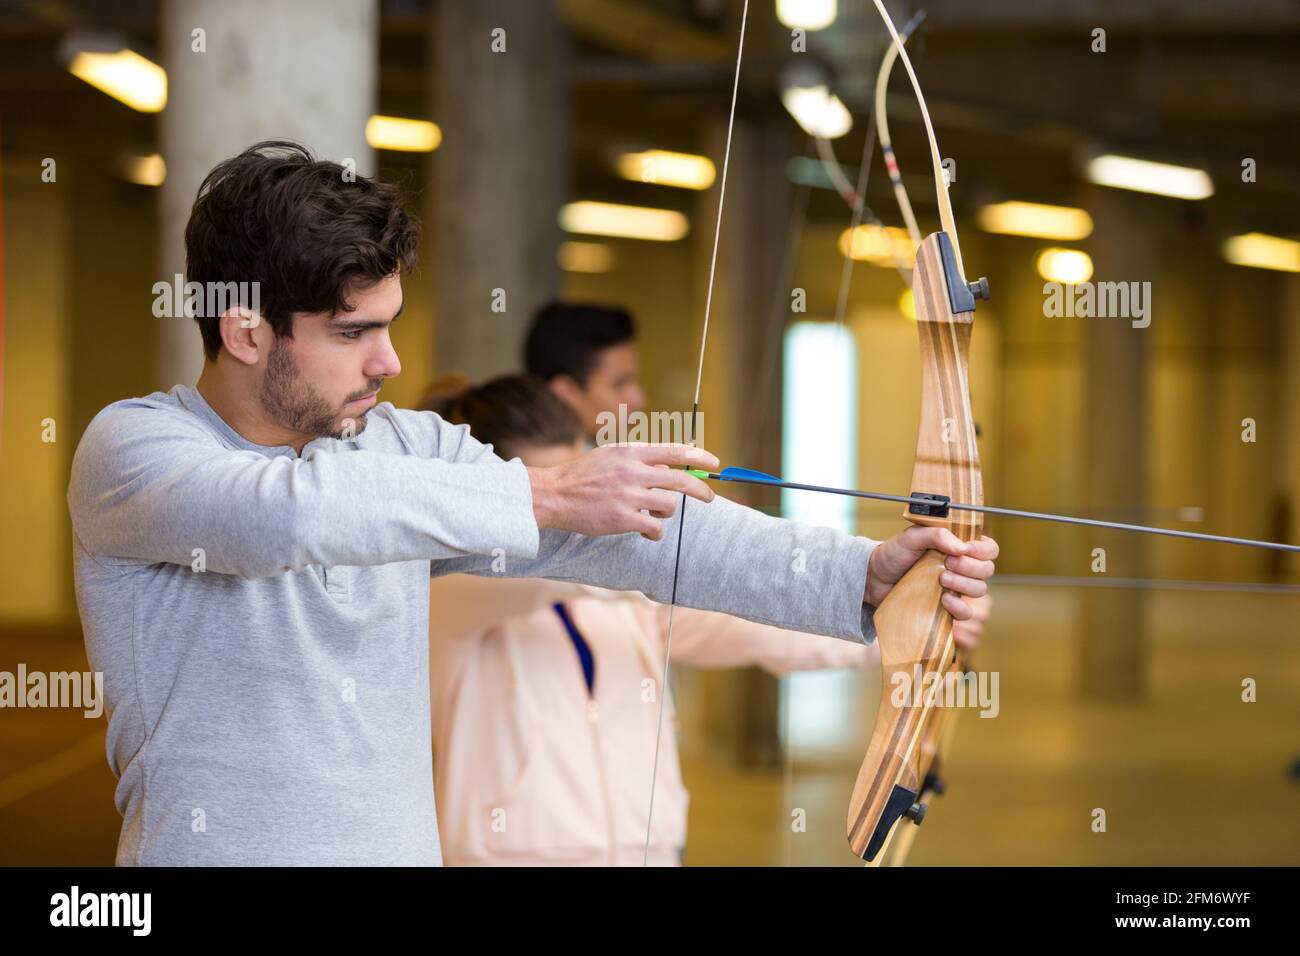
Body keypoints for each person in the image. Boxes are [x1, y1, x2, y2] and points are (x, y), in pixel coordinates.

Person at [66, 141, 998, 866]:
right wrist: (547, 490)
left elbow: (644, 543)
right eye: (354, 334)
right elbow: (288, 517)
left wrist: (861, 579)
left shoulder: (405, 449)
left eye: (389, 327)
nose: (389, 364)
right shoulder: (136, 452)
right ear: (244, 329)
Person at [420, 375, 990, 866]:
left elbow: (752, 627)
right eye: (556, 496)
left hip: (647, 848)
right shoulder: (454, 589)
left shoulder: (628, 602)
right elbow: (574, 566)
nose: (584, 513)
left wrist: (905, 623)